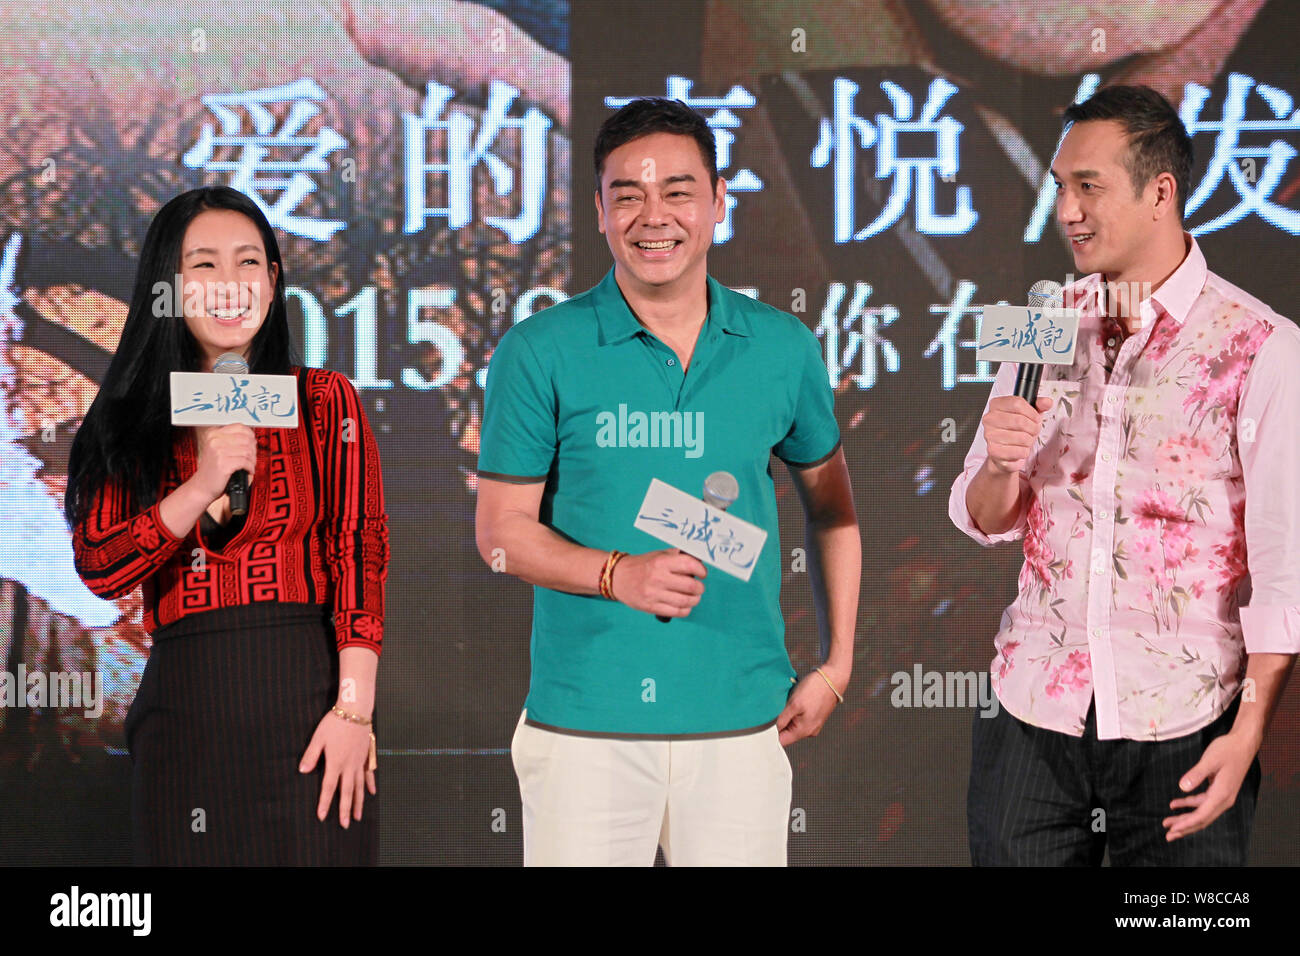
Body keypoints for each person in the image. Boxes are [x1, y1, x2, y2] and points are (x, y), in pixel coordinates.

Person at [476, 97, 861, 866]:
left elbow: (834, 512)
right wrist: (618, 574)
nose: (655, 217)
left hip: (741, 723)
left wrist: (839, 662)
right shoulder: (540, 350)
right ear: (599, 211)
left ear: (719, 201)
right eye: (629, 195)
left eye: (679, 191)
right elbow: (500, 536)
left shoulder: (781, 347)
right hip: (584, 728)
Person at [950, 85, 1300, 865]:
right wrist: (1004, 463)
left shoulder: (1263, 346)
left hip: (1184, 719)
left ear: (1160, 192)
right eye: (1060, 188)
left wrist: (1248, 736)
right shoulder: (1042, 323)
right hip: (1032, 706)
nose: (1067, 210)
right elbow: (981, 512)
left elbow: (1283, 570)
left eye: (1088, 187)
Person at [65, 185, 390, 865]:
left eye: (249, 263)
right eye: (204, 265)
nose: (230, 284)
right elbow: (99, 564)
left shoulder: (324, 401)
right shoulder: (127, 418)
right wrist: (200, 487)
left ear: (273, 282)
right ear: (169, 286)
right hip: (187, 713)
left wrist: (354, 713)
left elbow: (358, 555)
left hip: (311, 711)